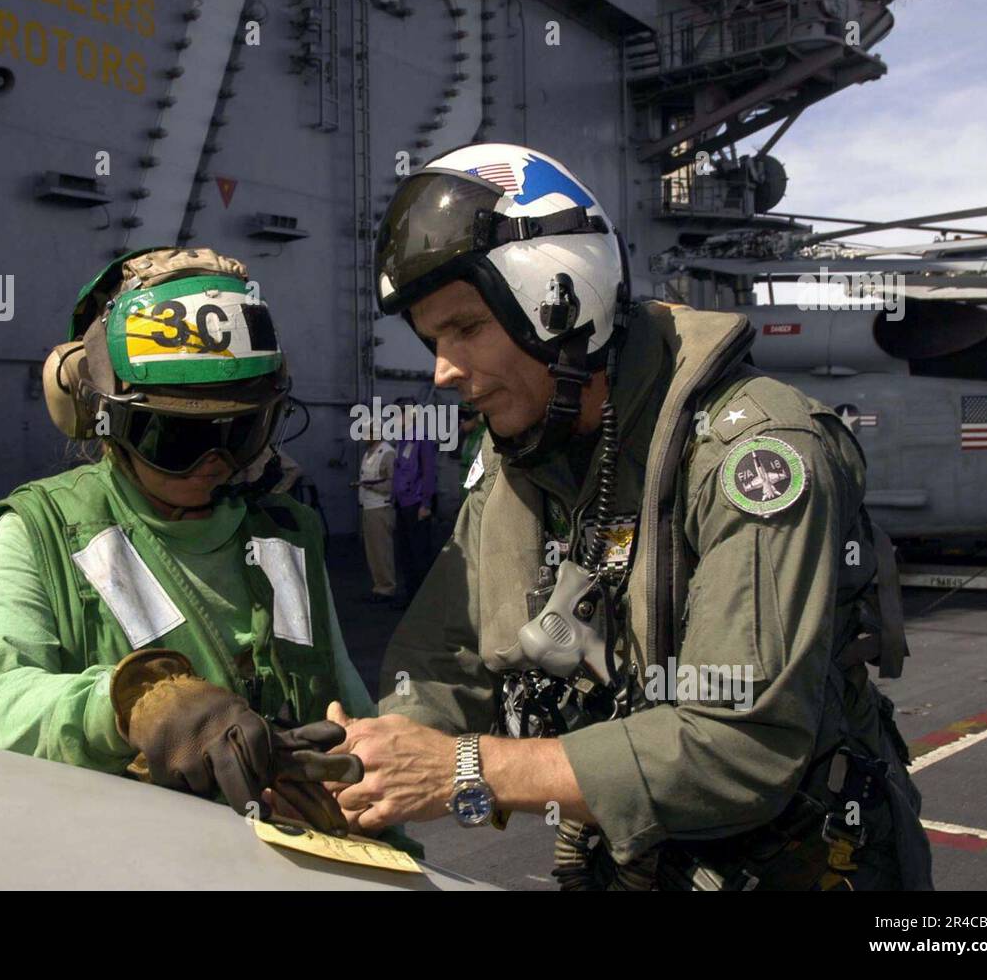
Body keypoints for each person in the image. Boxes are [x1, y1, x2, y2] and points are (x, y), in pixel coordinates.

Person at [327, 143, 932, 890]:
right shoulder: (521, 460)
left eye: (466, 329)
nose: (443, 372)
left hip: (802, 864)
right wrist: (365, 756)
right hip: (631, 859)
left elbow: (739, 746)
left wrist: (462, 769)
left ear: (560, 306)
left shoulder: (753, 453)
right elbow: (446, 656)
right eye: (433, 341)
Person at [0, 247, 371, 833]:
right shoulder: (39, 528)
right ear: (105, 419)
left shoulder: (286, 532)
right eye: (177, 438)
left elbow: (345, 693)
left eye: (242, 431)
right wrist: (126, 705)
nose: (215, 462)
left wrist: (365, 787)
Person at [389, 398, 437, 608]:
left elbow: (428, 473)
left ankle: (423, 601)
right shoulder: (402, 440)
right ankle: (411, 598)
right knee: (405, 553)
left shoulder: (422, 439)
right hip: (402, 503)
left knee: (420, 554)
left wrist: (426, 504)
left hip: (417, 505)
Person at [352, 422, 397, 602]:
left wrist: (368, 486)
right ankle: (380, 585)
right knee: (373, 551)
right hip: (369, 507)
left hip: (380, 507)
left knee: (382, 550)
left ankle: (387, 587)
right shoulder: (369, 453)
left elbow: (392, 484)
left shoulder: (387, 453)